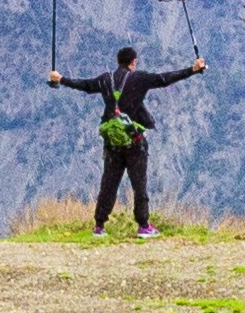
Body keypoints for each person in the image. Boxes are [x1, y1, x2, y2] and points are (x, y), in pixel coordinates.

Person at [47, 41, 207, 236]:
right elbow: (164, 79)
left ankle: (99, 226)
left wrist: (60, 78)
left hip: (112, 142)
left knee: (109, 183)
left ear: (118, 62)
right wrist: (193, 69)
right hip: (135, 141)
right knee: (139, 184)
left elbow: (85, 85)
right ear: (133, 62)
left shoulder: (106, 79)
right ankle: (143, 225)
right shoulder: (139, 78)